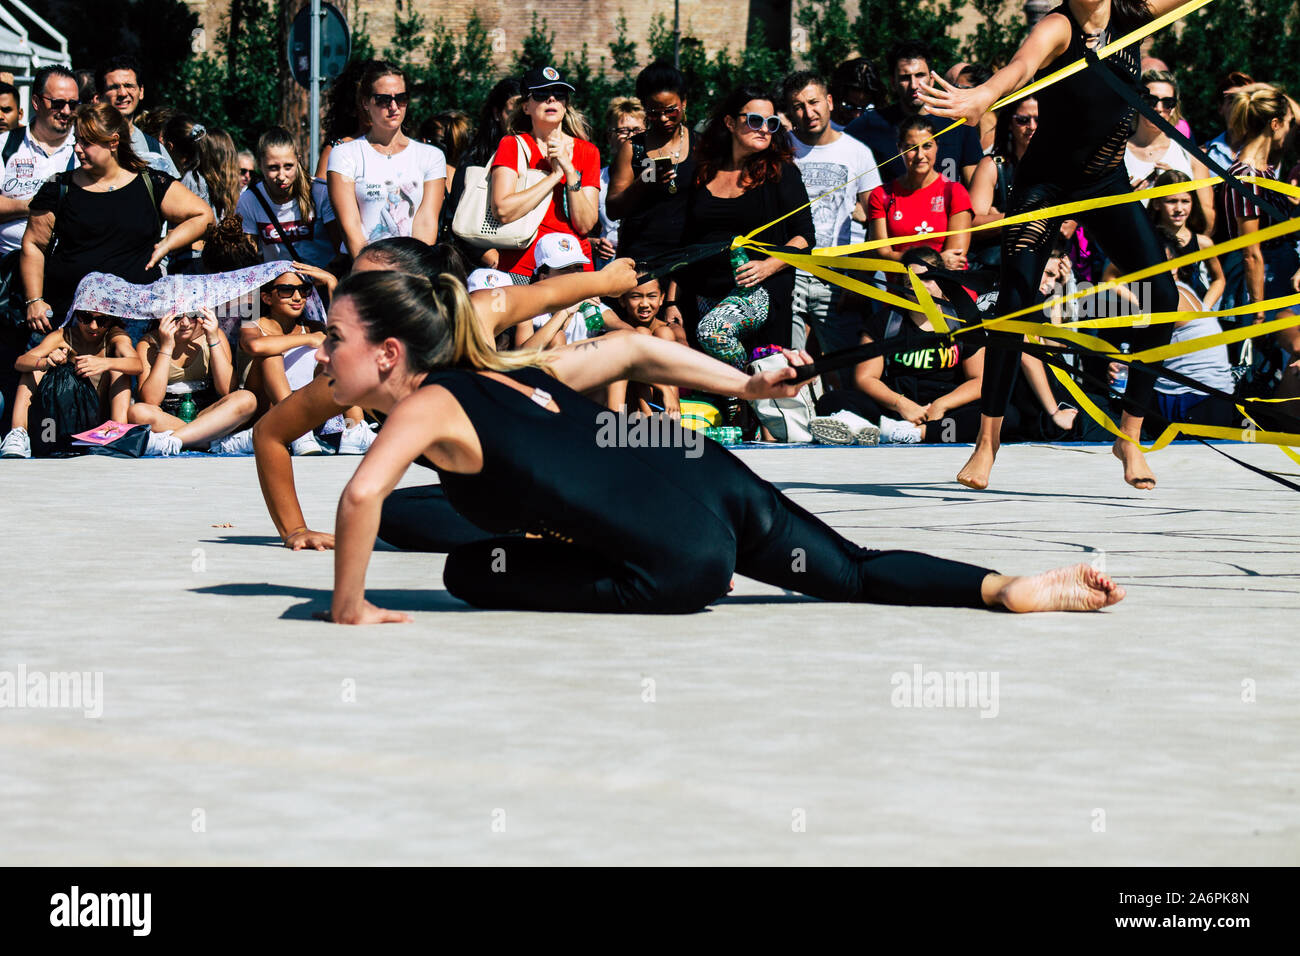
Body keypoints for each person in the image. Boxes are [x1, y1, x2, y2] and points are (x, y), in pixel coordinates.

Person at [313, 268, 1125, 623]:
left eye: (332, 338)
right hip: (701, 470)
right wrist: (745, 386)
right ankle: (1006, 589)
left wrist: (348, 608)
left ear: (389, 354)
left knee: (466, 567)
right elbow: (633, 347)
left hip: (679, 563)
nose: (320, 353)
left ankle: (1011, 591)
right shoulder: (509, 370)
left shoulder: (424, 405)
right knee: (848, 569)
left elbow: (358, 497)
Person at [920, 0, 1192, 491]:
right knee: (1014, 305)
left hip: (1105, 182)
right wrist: (983, 93)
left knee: (1165, 298)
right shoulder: (1058, 26)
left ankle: (1128, 435)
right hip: (1045, 183)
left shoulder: (1135, 11)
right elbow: (1021, 66)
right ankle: (987, 443)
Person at [252, 242, 635, 552]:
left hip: (565, 466)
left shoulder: (474, 313)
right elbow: (270, 433)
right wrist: (295, 530)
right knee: (392, 514)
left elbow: (547, 291)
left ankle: (576, 521)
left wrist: (606, 280)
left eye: (370, 286)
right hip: (502, 498)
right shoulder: (360, 368)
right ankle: (541, 532)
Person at [20, 101, 212, 341]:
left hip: (133, 322)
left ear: (113, 142)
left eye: (87, 143)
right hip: (69, 319)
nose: (78, 149)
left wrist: (167, 243)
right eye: (77, 140)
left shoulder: (150, 183)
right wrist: (35, 300)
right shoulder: (59, 186)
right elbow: (33, 245)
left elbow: (203, 215)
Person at [676, 85, 815, 367]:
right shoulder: (704, 171)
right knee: (701, 369)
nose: (764, 129)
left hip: (757, 290)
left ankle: (741, 390)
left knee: (713, 334)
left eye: (771, 123)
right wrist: (671, 302)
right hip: (703, 290)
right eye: (754, 120)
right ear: (729, 122)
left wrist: (768, 266)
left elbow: (805, 237)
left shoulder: (781, 172)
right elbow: (687, 245)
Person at [811, 248, 991, 445]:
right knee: (831, 401)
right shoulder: (884, 322)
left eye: (926, 279)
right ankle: (898, 430)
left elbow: (979, 380)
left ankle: (914, 434)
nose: (918, 287)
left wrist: (942, 405)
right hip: (895, 407)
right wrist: (901, 404)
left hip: (944, 408)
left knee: (1004, 414)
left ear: (943, 280)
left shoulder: (962, 320)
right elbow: (865, 378)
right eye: (910, 281)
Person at [784, 69, 882, 362]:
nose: (808, 112)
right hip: (790, 271)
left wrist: (862, 278)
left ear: (829, 101)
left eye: (813, 102)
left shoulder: (857, 152)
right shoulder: (781, 149)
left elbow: (878, 217)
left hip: (838, 277)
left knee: (850, 367)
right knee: (788, 366)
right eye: (798, 106)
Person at [489, 65, 600, 281]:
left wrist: (569, 171)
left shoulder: (588, 151)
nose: (551, 99)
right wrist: (554, 177)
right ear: (526, 107)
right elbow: (503, 210)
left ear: (566, 105)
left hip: (575, 266)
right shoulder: (512, 145)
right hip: (523, 266)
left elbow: (585, 225)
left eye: (559, 94)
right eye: (541, 94)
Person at [327, 61, 446, 259]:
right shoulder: (345, 154)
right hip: (363, 269)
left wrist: (413, 271)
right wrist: (370, 271)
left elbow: (426, 223)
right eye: (383, 100)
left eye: (401, 98)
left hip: (412, 270)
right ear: (365, 102)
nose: (393, 107)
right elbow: (351, 227)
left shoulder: (431, 156)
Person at [0, 309, 140, 458]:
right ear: (76, 315)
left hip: (99, 423)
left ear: (111, 320)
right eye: (85, 318)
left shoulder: (115, 336)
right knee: (34, 369)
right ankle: (18, 432)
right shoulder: (64, 335)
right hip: (60, 422)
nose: (93, 326)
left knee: (119, 370)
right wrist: (46, 362)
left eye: (102, 321)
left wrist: (105, 363)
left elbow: (137, 365)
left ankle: (117, 431)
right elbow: (21, 362)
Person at [1216, 85, 1299, 330]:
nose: (1290, 130)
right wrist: (1258, 309)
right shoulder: (1245, 176)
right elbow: (1251, 252)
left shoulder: (1266, 170)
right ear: (1274, 124)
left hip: (1278, 277)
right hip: (1258, 287)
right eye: (1287, 123)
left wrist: (1261, 90)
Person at [127, 307, 257, 456]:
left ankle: (172, 441)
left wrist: (213, 339)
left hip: (207, 414)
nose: (185, 323)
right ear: (161, 317)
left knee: (247, 399)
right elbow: (151, 400)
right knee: (137, 412)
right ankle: (216, 443)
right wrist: (166, 347)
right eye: (176, 317)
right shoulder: (149, 343)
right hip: (166, 416)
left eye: (193, 315)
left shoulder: (214, 334)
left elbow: (227, 390)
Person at [852, 41, 984, 188]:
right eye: (905, 78)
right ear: (893, 83)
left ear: (932, 80)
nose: (914, 85)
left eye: (920, 75)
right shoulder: (871, 124)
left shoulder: (958, 121)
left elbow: (975, 187)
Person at [866, 116, 973, 270]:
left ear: (937, 146)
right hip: (899, 288)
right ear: (899, 149)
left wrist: (907, 259)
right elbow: (882, 252)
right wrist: (933, 261)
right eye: (911, 148)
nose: (920, 155)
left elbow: (956, 257)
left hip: (945, 288)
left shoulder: (955, 192)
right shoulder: (882, 195)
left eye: (927, 146)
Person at [1124, 70, 1214, 231]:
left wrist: (1180, 187)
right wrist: (1125, 202)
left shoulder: (1191, 156)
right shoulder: (1116, 155)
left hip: (1180, 252)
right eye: (1150, 100)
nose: (1159, 108)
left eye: (1167, 103)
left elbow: (1209, 223)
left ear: (1173, 108)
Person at [238, 126, 340, 269]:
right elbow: (248, 260)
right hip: (278, 286)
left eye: (288, 167)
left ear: (298, 161)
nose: (281, 176)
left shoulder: (320, 192)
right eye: (273, 168)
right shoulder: (250, 199)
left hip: (320, 282)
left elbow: (340, 251)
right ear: (260, 165)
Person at [512, 232, 631, 349]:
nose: (574, 275)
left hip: (582, 365)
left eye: (578, 267)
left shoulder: (590, 303)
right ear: (543, 277)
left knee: (640, 332)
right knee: (557, 338)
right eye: (564, 269)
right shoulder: (530, 308)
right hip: (542, 367)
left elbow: (630, 333)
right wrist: (564, 313)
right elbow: (520, 356)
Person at [968, 95, 1039, 267]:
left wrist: (998, 218)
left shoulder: (1059, 164)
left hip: (1048, 267)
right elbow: (972, 224)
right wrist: (1020, 217)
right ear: (1009, 123)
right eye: (1023, 120)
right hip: (1001, 267)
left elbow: (1066, 226)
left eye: (1038, 119)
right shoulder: (992, 166)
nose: (1032, 126)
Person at [1146, 169, 1224, 309]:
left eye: (1185, 201)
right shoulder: (1146, 240)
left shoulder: (1202, 243)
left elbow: (1219, 280)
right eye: (1171, 201)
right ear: (1157, 204)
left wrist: (1204, 309)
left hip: (1192, 317)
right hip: (1157, 315)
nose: (1179, 208)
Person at [94, 55, 180, 177]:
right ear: (98, 98)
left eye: (129, 86)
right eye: (114, 87)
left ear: (141, 91)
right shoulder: (82, 147)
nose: (123, 93)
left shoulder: (155, 149)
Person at [593, 97, 645, 267]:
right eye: (623, 130)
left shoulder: (653, 175)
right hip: (608, 267)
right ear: (609, 137)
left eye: (637, 131)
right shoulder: (598, 180)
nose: (630, 137)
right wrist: (593, 243)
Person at [315, 58, 372, 182]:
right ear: (352, 108)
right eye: (365, 101)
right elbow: (321, 198)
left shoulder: (412, 151)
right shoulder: (336, 152)